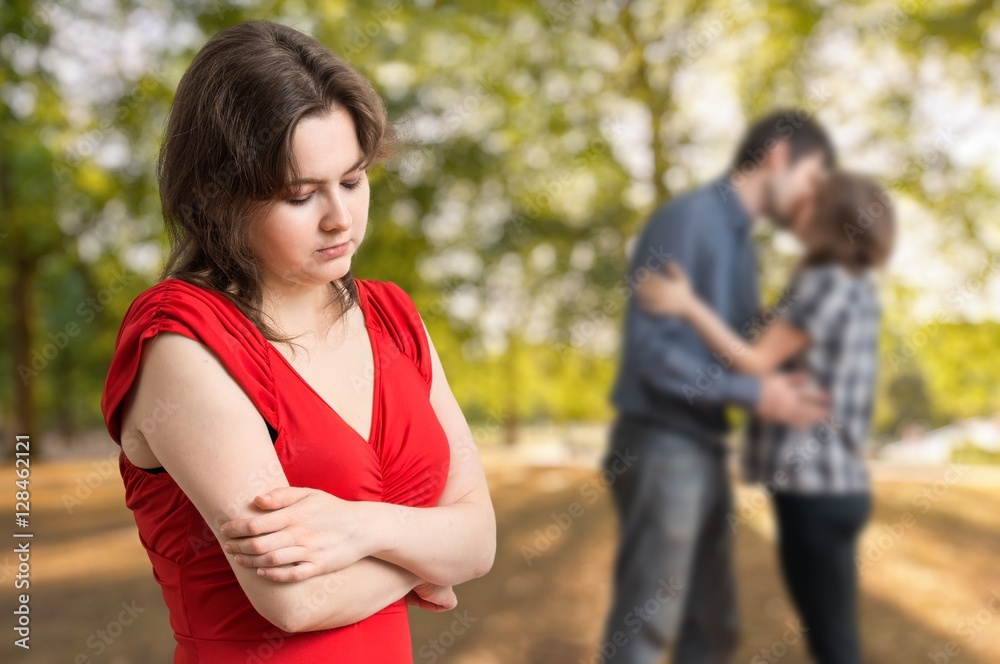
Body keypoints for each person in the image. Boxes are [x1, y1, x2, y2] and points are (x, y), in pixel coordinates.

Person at [99, 21, 495, 663]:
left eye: (354, 179)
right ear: (215, 198)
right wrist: (428, 561)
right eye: (301, 195)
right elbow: (295, 601)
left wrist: (360, 527)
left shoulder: (396, 319)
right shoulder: (180, 340)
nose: (340, 217)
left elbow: (481, 540)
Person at [601, 109, 836, 664]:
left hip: (699, 445)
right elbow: (655, 357)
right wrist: (762, 397)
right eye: (812, 177)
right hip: (662, 443)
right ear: (778, 156)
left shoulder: (739, 242)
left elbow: (732, 343)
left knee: (713, 629)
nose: (813, 195)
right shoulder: (692, 220)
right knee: (647, 631)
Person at [636, 171, 895, 664]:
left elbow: (757, 361)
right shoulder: (854, 285)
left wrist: (688, 306)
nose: (799, 209)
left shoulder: (820, 282)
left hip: (814, 490)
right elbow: (787, 341)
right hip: (841, 486)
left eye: (813, 203)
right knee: (832, 633)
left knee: (833, 642)